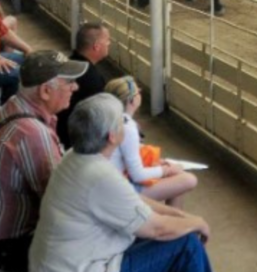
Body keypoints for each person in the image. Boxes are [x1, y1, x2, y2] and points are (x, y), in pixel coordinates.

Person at [30, 94, 213, 272]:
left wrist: (178, 215)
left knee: (179, 232)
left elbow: (133, 199)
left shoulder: (74, 156)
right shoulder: (101, 176)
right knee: (187, 245)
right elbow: (158, 229)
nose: (126, 125)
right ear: (112, 136)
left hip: (61, 261)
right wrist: (198, 223)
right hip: (84, 265)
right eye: (122, 122)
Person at [0, 51, 87, 272]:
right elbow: (62, 203)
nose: (75, 88)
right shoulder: (32, 133)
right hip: (11, 247)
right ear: (46, 91)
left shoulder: (14, 104)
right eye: (70, 82)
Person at [104, 77, 198, 207]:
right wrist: (166, 170)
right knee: (188, 180)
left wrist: (160, 165)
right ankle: (174, 223)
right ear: (132, 100)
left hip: (108, 184)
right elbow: (137, 175)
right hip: (118, 192)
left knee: (176, 177)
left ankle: (173, 222)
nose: (140, 94)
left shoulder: (107, 118)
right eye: (138, 92)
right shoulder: (127, 127)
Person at [57, 22, 112, 149]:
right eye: (107, 40)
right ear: (96, 46)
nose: (109, 43)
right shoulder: (92, 79)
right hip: (76, 142)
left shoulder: (69, 63)